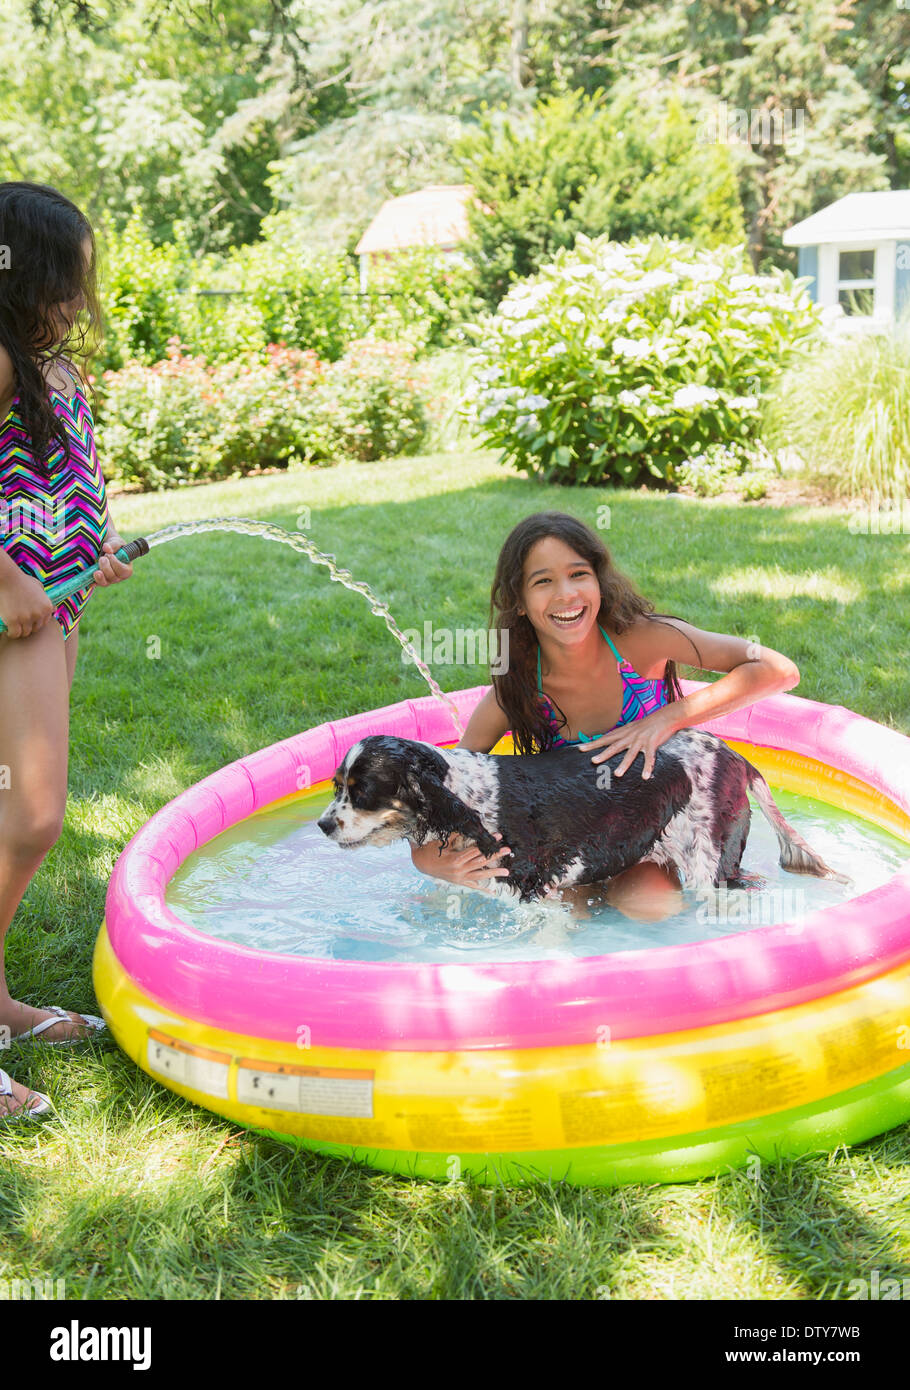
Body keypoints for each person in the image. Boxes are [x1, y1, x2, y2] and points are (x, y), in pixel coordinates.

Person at [411, 510, 801, 920]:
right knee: (561, 915)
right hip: (568, 848)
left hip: (653, 833)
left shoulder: (642, 639)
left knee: (652, 908)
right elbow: (437, 786)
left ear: (599, 580)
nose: (566, 594)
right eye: (543, 581)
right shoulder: (517, 693)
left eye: (579, 574)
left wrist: (667, 718)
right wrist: (428, 861)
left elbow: (778, 670)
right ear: (519, 603)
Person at [0, 181, 134, 1118]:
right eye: (68, 275)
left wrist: (92, 551)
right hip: (12, 615)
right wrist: (11, 582)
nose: (80, 295)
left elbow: (63, 478)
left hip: (58, 608)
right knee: (33, 816)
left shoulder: (51, 371)